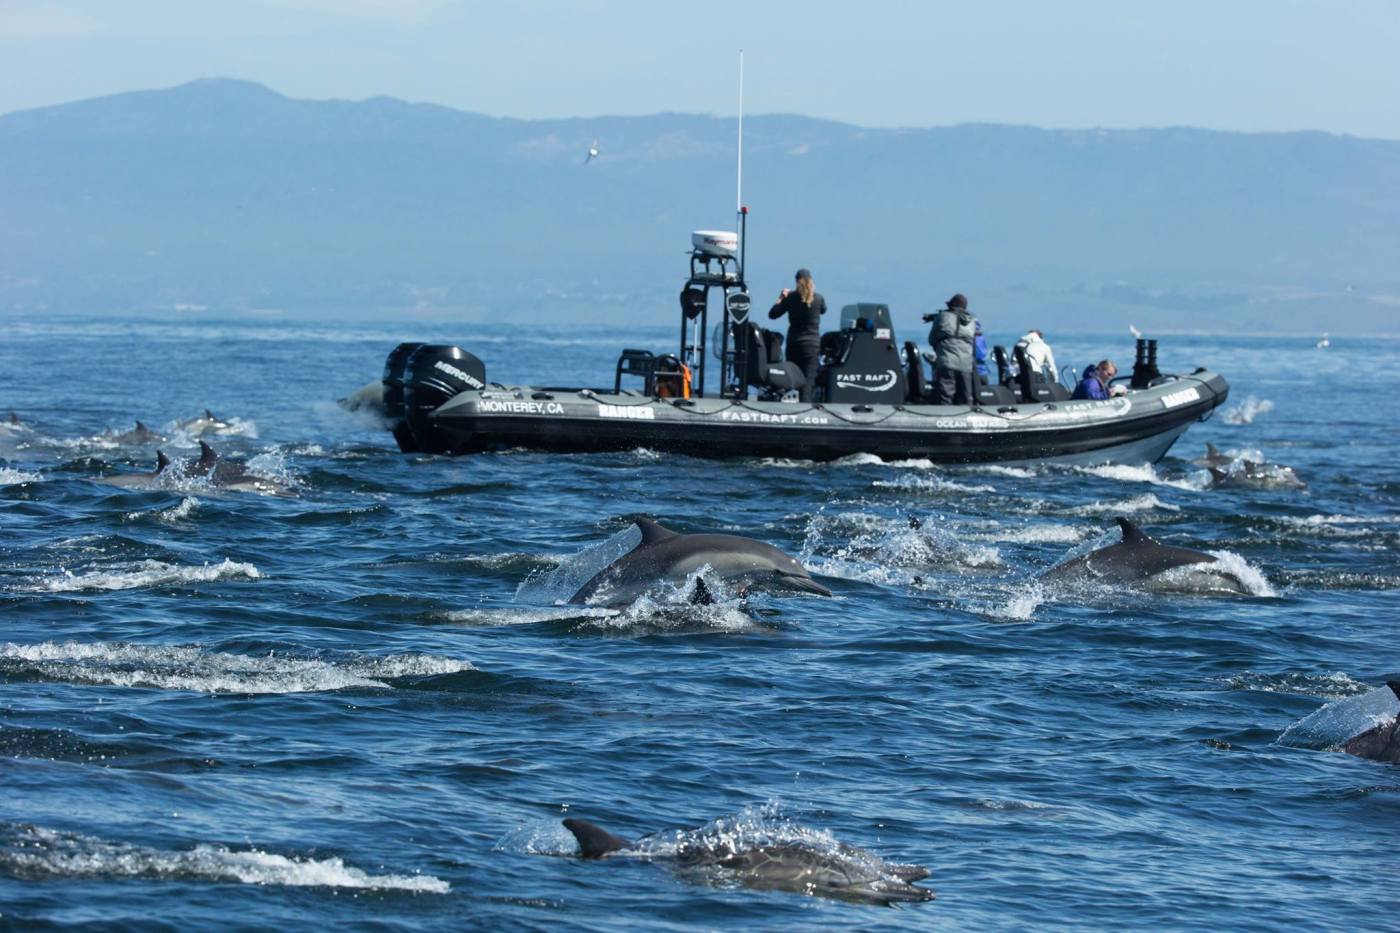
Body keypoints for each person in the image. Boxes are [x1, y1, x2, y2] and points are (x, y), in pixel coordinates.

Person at [768, 268, 827, 402]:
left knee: (793, 380)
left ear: (796, 281)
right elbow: (823, 310)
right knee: (808, 383)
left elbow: (772, 314)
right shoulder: (818, 298)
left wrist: (781, 297)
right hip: (811, 346)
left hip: (794, 344)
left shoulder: (790, 298)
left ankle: (791, 409)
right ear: (811, 281)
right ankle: (805, 410)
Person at [925, 293, 976, 405]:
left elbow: (931, 339)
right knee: (966, 396)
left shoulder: (942, 317)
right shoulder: (972, 321)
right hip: (966, 364)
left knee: (946, 396)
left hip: (947, 362)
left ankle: (946, 414)